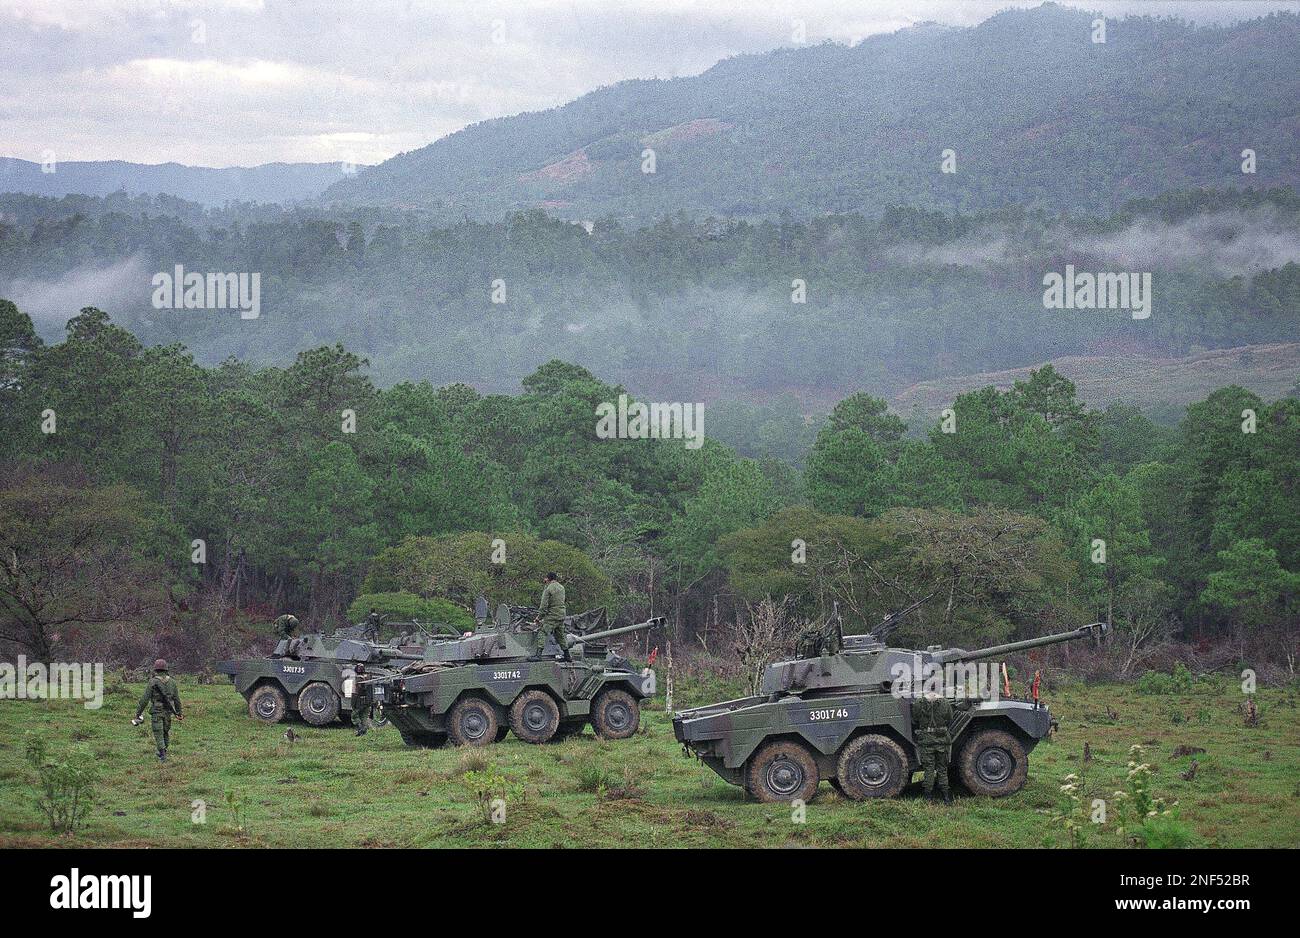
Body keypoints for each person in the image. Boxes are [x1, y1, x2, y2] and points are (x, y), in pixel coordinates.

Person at [132, 659, 183, 762]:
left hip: (157, 712)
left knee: (158, 732)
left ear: (155, 670)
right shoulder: (172, 682)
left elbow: (144, 699)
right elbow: (177, 700)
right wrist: (179, 712)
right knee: (165, 732)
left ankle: (163, 755)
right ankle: (163, 751)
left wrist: (138, 713)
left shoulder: (153, 682)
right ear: (166, 669)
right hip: (168, 712)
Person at [911, 689, 954, 804]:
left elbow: (915, 719)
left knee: (928, 769)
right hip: (942, 740)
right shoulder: (945, 702)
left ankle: (928, 797)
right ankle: (946, 798)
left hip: (926, 740)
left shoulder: (919, 703)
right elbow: (950, 718)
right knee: (942, 769)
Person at [538, 572, 567, 657]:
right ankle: (567, 656)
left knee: (542, 632)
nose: (544, 580)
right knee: (560, 635)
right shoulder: (562, 587)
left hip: (552, 615)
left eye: (545, 578)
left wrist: (539, 618)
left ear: (547, 578)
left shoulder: (548, 588)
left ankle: (538, 655)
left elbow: (543, 606)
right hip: (561, 614)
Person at [343, 662, 371, 736]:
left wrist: (353, 705)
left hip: (358, 700)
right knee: (364, 716)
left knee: (354, 716)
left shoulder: (356, 679)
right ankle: (364, 731)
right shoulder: (368, 677)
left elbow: (355, 693)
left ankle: (360, 729)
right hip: (367, 700)